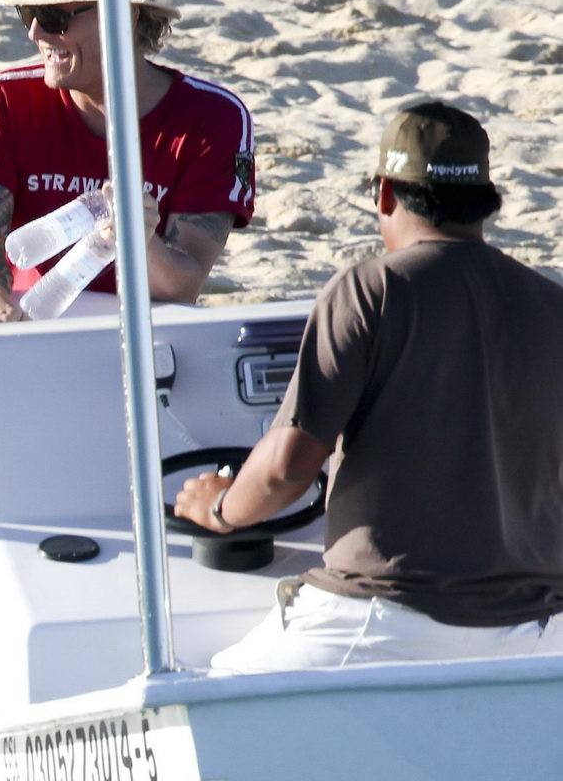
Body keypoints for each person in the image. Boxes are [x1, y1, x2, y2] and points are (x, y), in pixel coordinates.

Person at [176, 101, 563, 671]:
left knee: (216, 681)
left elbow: (286, 471)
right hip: (536, 627)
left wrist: (222, 510)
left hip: (386, 614)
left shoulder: (370, 291)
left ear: (384, 195)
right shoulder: (550, 303)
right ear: (486, 201)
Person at [0, 0, 257, 324]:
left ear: (124, 15)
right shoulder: (0, 101)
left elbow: (183, 284)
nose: (36, 33)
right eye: (29, 13)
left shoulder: (212, 120)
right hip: (29, 329)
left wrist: (138, 239)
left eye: (54, 15)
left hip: (149, 340)